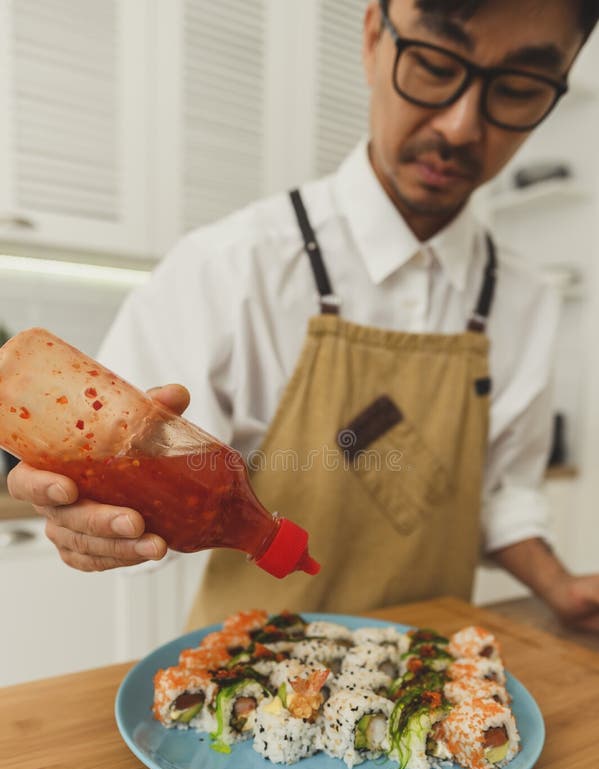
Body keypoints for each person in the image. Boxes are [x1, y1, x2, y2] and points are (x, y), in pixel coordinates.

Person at [8, 0, 599, 631]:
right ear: (374, 37)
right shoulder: (227, 266)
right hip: (241, 691)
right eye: (433, 64)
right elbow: (120, 489)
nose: (460, 127)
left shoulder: (528, 298)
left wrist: (558, 586)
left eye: (518, 88)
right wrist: (92, 522)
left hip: (426, 682)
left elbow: (503, 495)